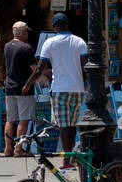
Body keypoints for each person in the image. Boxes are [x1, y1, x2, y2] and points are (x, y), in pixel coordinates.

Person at [32, 12, 89, 169]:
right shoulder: (79, 42)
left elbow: (40, 68)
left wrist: (27, 84)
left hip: (60, 89)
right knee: (72, 124)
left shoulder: (49, 43)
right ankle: (71, 157)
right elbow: (85, 65)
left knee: (64, 124)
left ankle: (67, 158)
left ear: (54, 27)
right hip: (77, 88)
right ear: (67, 25)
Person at [2, 22, 36, 157]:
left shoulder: (7, 46)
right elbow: (35, 69)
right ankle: (18, 148)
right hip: (23, 87)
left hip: (10, 86)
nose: (27, 34)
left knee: (10, 119)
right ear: (21, 33)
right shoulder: (26, 48)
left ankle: (7, 148)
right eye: (26, 32)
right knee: (24, 119)